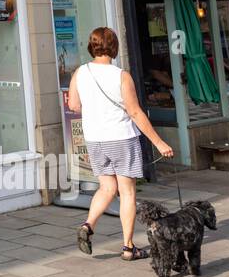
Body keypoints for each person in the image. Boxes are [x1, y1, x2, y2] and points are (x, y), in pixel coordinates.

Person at [67, 27, 175, 261]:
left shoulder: (80, 72)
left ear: (92, 46)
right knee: (127, 192)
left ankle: (87, 225)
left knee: (106, 188)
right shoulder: (121, 76)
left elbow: (73, 106)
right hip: (121, 137)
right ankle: (128, 247)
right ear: (114, 48)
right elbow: (135, 112)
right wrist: (159, 142)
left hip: (95, 138)